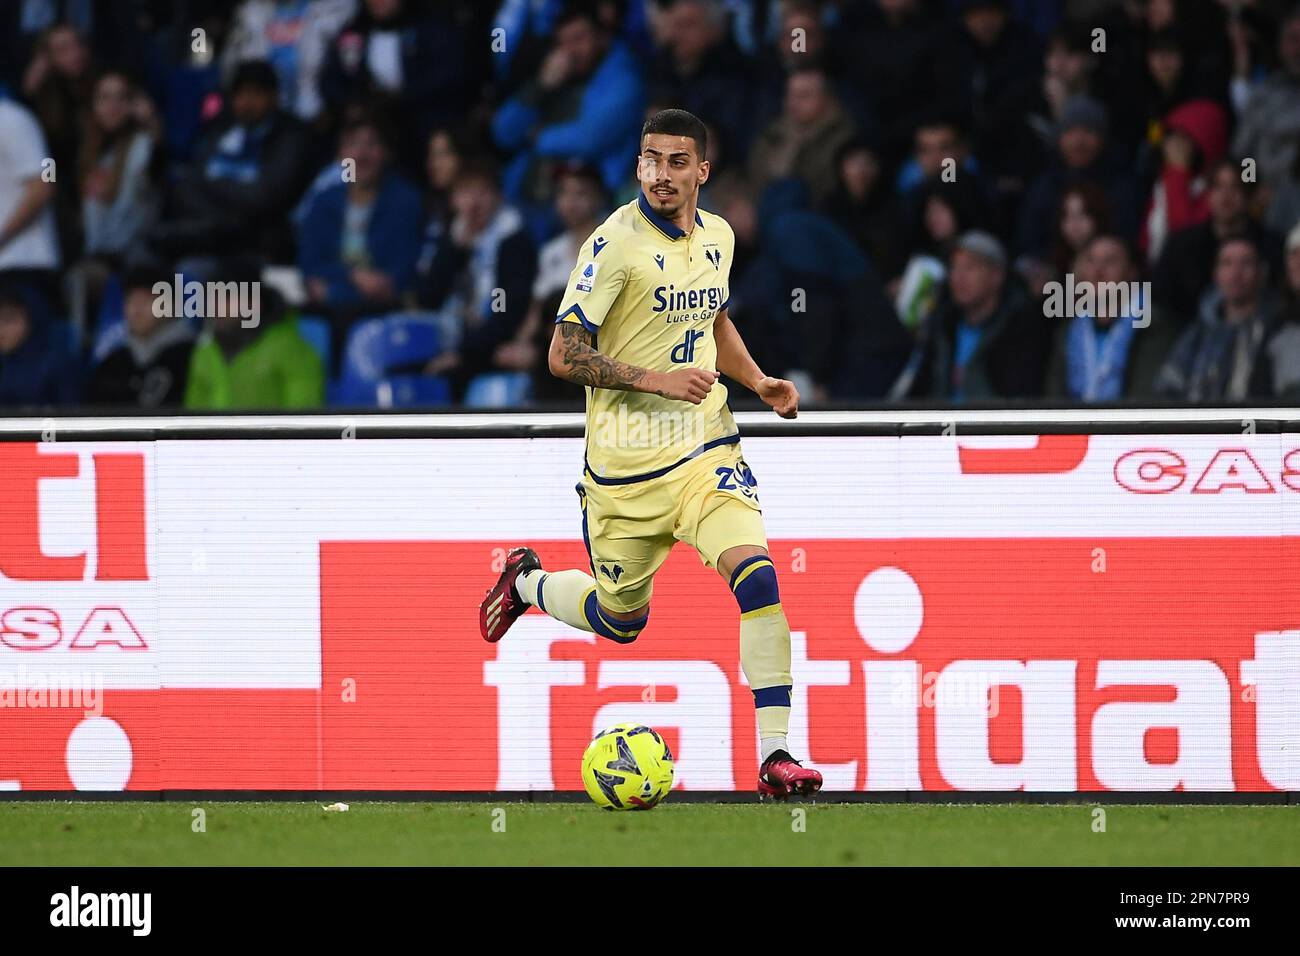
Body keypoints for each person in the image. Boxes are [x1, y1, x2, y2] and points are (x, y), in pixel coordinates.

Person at [477, 108, 822, 800]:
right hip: (624, 474)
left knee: (757, 578)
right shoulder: (613, 246)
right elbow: (561, 353)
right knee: (619, 621)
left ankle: (778, 756)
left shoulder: (719, 235)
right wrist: (655, 379)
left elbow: (712, 318)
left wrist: (756, 381)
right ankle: (525, 583)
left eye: (675, 162)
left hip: (704, 451)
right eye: (648, 160)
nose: (660, 175)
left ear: (702, 170)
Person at [86, 266, 194, 408]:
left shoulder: (192, 358)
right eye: (131, 300)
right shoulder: (113, 363)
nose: (137, 309)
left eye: (147, 300)